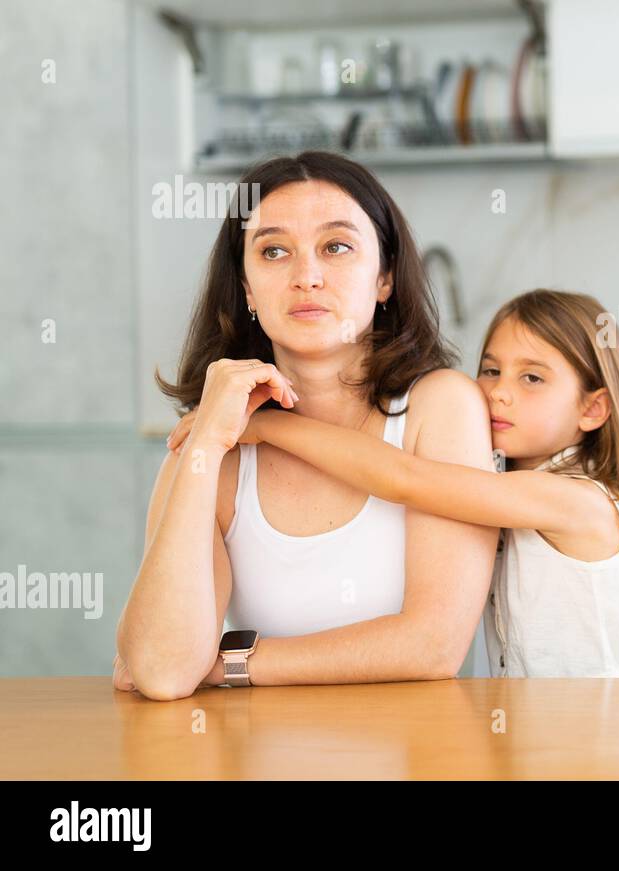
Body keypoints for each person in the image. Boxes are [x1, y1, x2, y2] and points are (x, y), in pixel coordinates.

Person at [115, 151, 496, 700]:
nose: (306, 277)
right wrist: (206, 446)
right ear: (247, 288)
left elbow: (433, 645)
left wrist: (228, 663)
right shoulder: (213, 442)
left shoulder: (440, 407)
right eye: (273, 251)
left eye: (336, 247)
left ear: (384, 276)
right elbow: (162, 670)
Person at [168, 289, 619, 677]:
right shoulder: (512, 493)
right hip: (544, 734)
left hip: (613, 736)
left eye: (532, 378)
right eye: (490, 370)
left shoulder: (577, 501)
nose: (498, 393)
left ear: (593, 408)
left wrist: (264, 425)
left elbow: (403, 476)